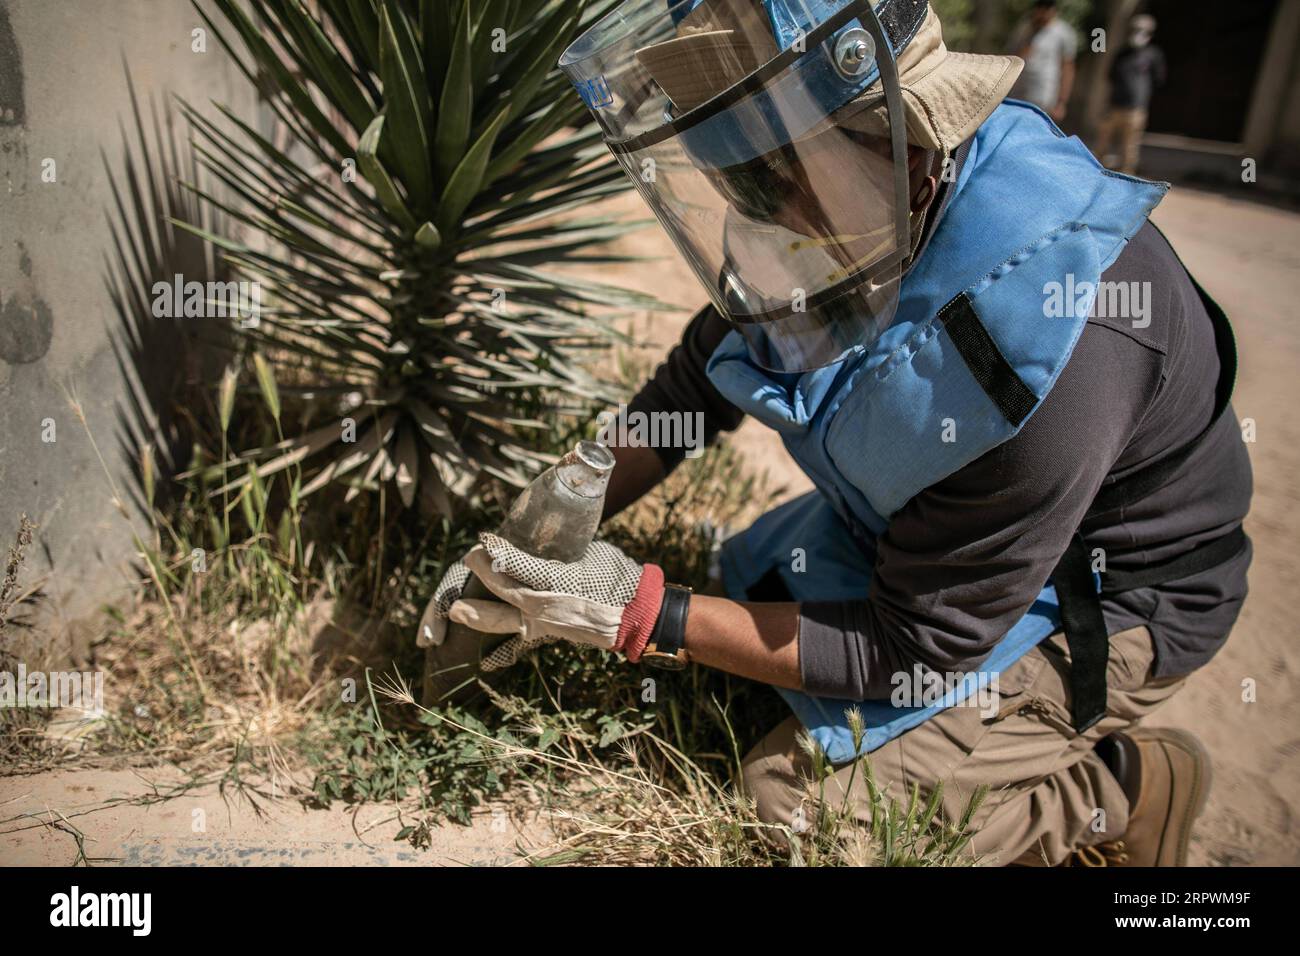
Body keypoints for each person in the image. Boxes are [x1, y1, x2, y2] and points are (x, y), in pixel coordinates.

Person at [420, 0, 1251, 866]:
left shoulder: (1061, 333)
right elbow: (690, 393)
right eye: (742, 180)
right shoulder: (851, 198)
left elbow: (908, 646)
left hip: (1102, 600)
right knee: (734, 660)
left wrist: (639, 611)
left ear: (902, 134)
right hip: (939, 545)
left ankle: (1117, 788)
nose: (766, 211)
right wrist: (545, 520)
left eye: (781, 172)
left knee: (803, 816)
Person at [1096, 14, 1166, 175]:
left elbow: (1158, 79)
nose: (1137, 33)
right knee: (1101, 146)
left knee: (1129, 150)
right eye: (1134, 29)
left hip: (1136, 110)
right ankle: (1096, 174)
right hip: (1114, 107)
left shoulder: (1154, 55)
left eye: (1142, 30)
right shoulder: (1121, 53)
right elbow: (1110, 76)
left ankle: (1127, 178)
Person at [1006, 0, 1077, 121]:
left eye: (1046, 9)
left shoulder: (1063, 33)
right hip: (1018, 93)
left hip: (1044, 96)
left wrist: (1061, 102)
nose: (1042, 14)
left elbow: (1067, 68)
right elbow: (1011, 58)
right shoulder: (1024, 29)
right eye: (1040, 9)